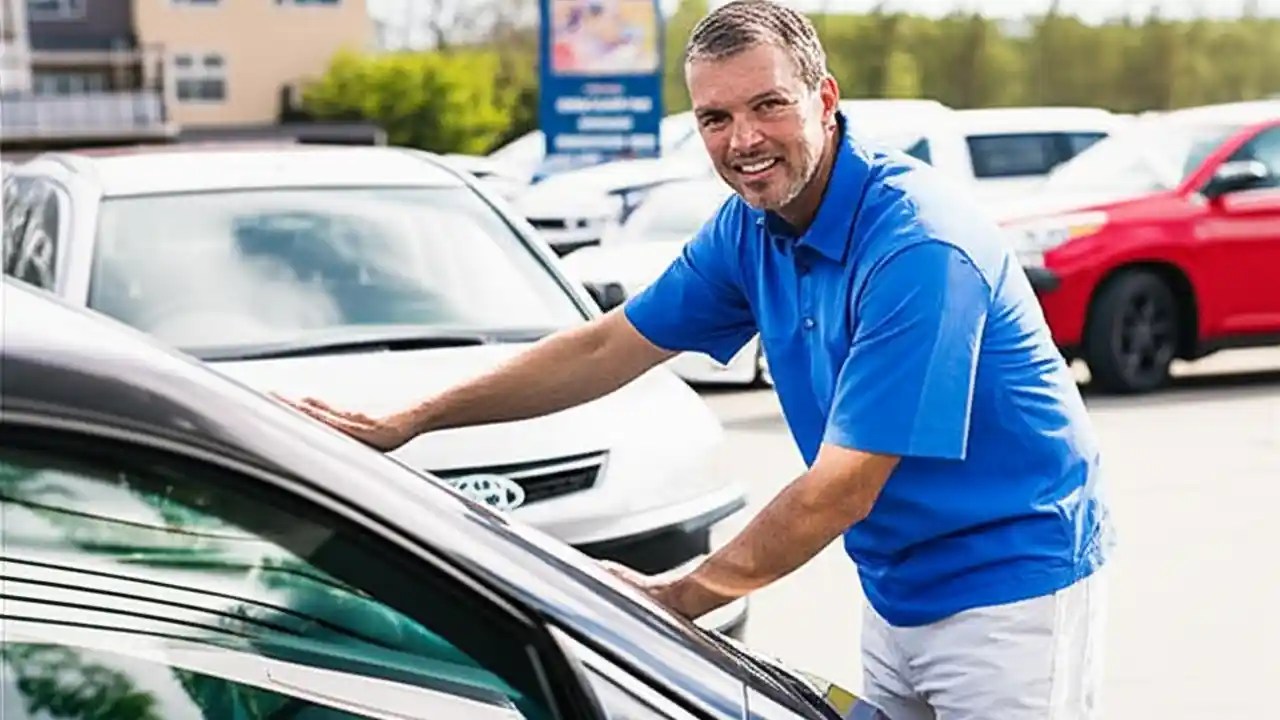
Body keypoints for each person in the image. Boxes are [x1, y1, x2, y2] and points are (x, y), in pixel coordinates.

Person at [276, 1, 1114, 717]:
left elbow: (840, 487)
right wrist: (411, 421)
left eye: (768, 107)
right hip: (896, 585)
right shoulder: (752, 226)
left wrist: (683, 597)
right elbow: (607, 346)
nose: (744, 140)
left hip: (1012, 592)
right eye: (715, 119)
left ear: (826, 100)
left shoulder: (918, 249)